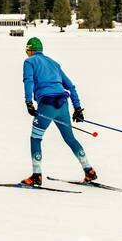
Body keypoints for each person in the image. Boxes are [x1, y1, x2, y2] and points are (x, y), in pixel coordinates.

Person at [21, 36, 97, 186]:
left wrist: (29, 102)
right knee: (70, 138)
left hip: (47, 105)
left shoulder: (29, 62)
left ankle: (36, 176)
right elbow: (71, 86)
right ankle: (89, 170)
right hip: (62, 105)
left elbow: (28, 80)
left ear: (29, 51)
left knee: (35, 138)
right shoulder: (54, 63)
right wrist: (77, 109)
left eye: (27, 51)